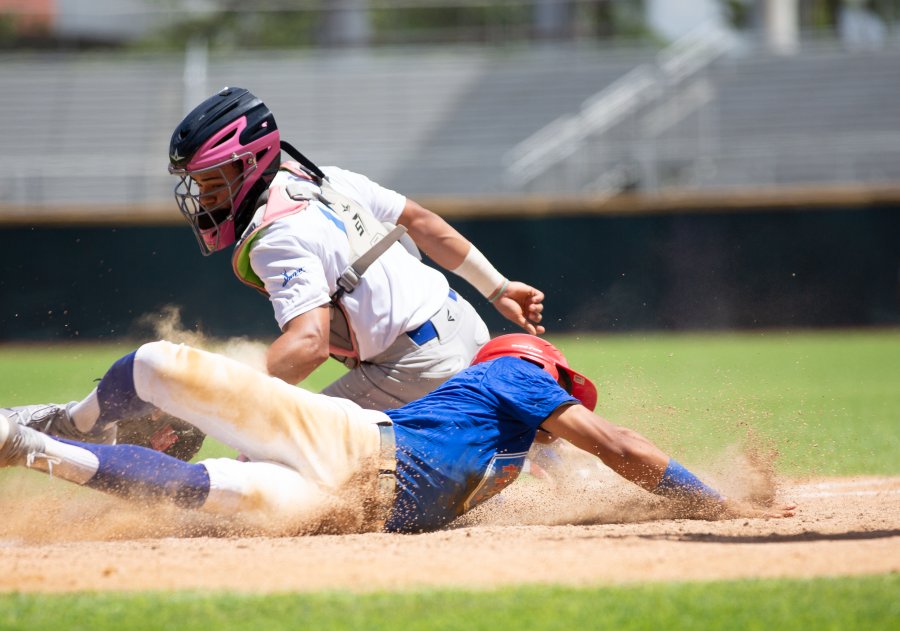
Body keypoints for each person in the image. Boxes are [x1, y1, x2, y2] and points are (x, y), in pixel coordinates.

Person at [1, 85, 544, 452]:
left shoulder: (275, 235)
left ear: (249, 162)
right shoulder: (326, 178)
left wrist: (206, 397)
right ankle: (546, 462)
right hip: (464, 323)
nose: (204, 195)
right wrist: (497, 287)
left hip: (413, 367)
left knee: (266, 463)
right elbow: (422, 222)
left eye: (213, 179)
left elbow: (307, 346)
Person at [0, 335, 794, 534]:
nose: (565, 399)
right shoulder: (516, 378)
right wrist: (721, 506)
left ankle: (26, 448)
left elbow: (602, 478)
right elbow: (622, 451)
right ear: (537, 371)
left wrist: (710, 498)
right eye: (563, 383)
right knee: (164, 364)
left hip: (345, 508)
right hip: (351, 444)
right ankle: (63, 420)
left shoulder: (510, 453)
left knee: (201, 490)